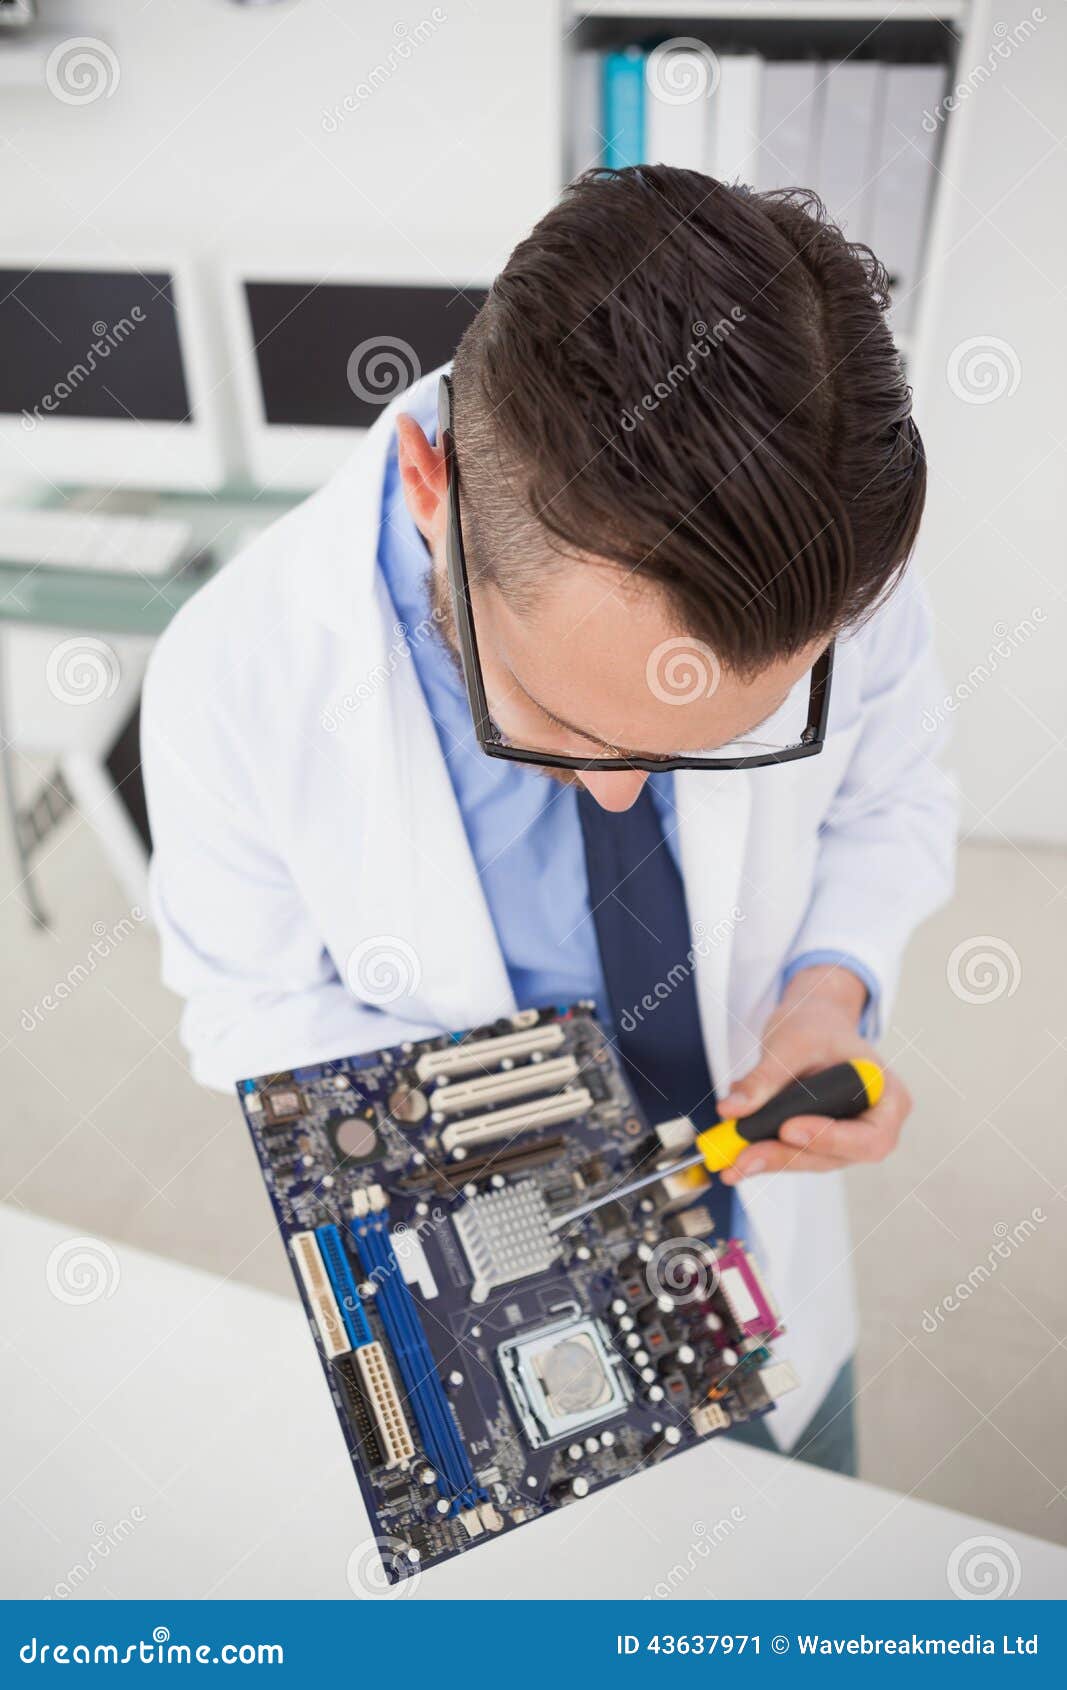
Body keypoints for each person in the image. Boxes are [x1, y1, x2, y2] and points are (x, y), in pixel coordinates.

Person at [142, 167, 956, 1474]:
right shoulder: (230, 679)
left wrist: (828, 992)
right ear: (431, 484)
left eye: (707, 735)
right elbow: (252, 1015)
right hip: (485, 1256)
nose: (631, 791)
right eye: (560, 724)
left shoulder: (831, 567)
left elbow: (892, 794)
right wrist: (530, 1160)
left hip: (763, 1243)